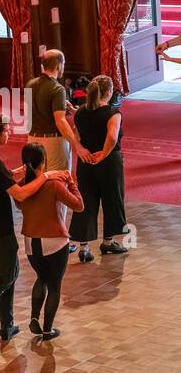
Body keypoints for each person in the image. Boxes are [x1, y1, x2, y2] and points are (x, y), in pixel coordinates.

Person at [0, 119, 66, 345]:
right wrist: (45, 176)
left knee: (10, 273)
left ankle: (7, 325)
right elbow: (21, 195)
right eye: (6, 130)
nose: (9, 133)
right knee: (5, 276)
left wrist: (13, 173)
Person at [17, 143, 83, 341]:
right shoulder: (54, 185)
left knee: (41, 278)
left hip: (30, 242)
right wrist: (72, 184)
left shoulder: (21, 186)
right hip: (54, 241)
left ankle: (34, 317)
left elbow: (20, 205)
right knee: (54, 285)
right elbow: (79, 206)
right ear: (44, 161)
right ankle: (47, 329)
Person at [69, 74, 128, 263]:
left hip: (86, 163)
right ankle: (108, 241)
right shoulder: (112, 113)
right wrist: (103, 154)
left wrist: (82, 151)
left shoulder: (80, 112)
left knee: (86, 203)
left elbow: (76, 137)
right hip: (108, 163)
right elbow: (112, 137)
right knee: (112, 200)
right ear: (109, 92)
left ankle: (84, 247)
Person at [24, 50, 82, 218]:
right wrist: (76, 144)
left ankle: (40, 224)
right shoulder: (57, 88)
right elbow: (60, 121)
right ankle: (58, 234)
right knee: (59, 186)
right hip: (53, 141)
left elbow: (32, 112)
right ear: (59, 65)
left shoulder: (30, 84)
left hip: (33, 138)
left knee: (38, 184)